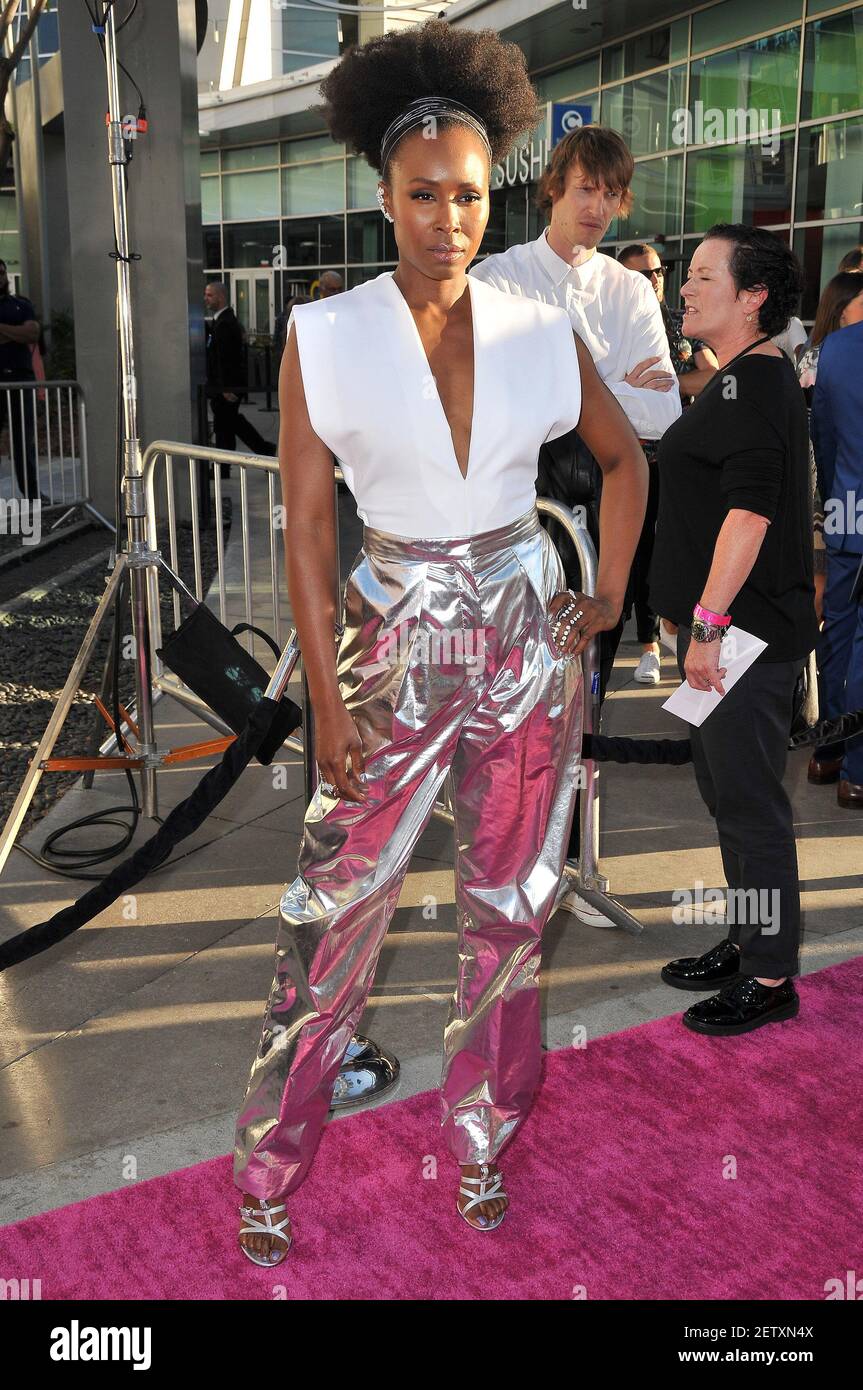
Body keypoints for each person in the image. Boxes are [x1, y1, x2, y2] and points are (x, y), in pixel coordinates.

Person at [232, 19, 647, 1265]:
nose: (448, 219)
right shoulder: (329, 333)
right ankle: (266, 1160)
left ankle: (479, 1139)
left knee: (510, 909)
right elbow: (307, 531)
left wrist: (607, 590)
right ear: (384, 196)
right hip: (394, 631)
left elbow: (622, 462)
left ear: (490, 195)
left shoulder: (534, 326)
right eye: (424, 196)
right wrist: (327, 701)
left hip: (525, 629)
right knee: (333, 906)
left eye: (468, 196)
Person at [469, 126, 680, 927]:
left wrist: (568, 386)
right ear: (552, 187)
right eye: (584, 188)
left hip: (609, 512)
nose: (598, 207)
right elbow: (491, 406)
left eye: (611, 193)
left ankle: (569, 865)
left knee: (584, 697)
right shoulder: (496, 278)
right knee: (511, 697)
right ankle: (508, 864)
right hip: (516, 513)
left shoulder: (630, 291)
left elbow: (660, 410)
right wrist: (603, 382)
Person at [648, 224, 818, 1036]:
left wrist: (708, 626)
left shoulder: (756, 384)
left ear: (751, 297)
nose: (684, 287)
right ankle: (749, 936)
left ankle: (771, 974)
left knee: (750, 805)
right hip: (727, 636)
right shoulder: (735, 379)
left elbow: (749, 514)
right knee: (726, 798)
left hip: (743, 636)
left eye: (703, 275)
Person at [617, 243, 718, 685]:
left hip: (683, 459)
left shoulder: (682, 322)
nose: (652, 280)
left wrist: (667, 384)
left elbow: (713, 375)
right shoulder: (613, 329)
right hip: (628, 460)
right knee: (638, 554)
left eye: (657, 272)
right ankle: (649, 645)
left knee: (681, 547)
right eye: (640, 275)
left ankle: (677, 629)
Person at [809, 274, 863, 806]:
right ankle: (857, 770)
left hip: (847, 515)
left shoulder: (835, 350)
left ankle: (828, 753)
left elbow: (823, 444)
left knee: (840, 641)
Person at [797, 272, 863, 639]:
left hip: (838, 498)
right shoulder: (819, 358)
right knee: (827, 599)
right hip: (824, 495)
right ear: (841, 311)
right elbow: (821, 440)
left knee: (836, 611)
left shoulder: (830, 353)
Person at [203, 281, 276, 458]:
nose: (206, 299)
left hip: (227, 386)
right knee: (228, 423)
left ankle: (265, 451)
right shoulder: (222, 321)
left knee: (227, 424)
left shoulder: (226, 323)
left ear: (220, 296)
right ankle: (261, 452)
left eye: (209, 295)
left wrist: (227, 387)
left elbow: (227, 358)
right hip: (224, 386)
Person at [0, 259, 44, 503]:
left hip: (20, 378)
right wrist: (14, 333)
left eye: (3, 273)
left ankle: (33, 495)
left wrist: (3, 330)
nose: (1, 277)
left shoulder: (20, 304)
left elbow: (32, 333)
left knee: (23, 441)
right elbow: (23, 333)